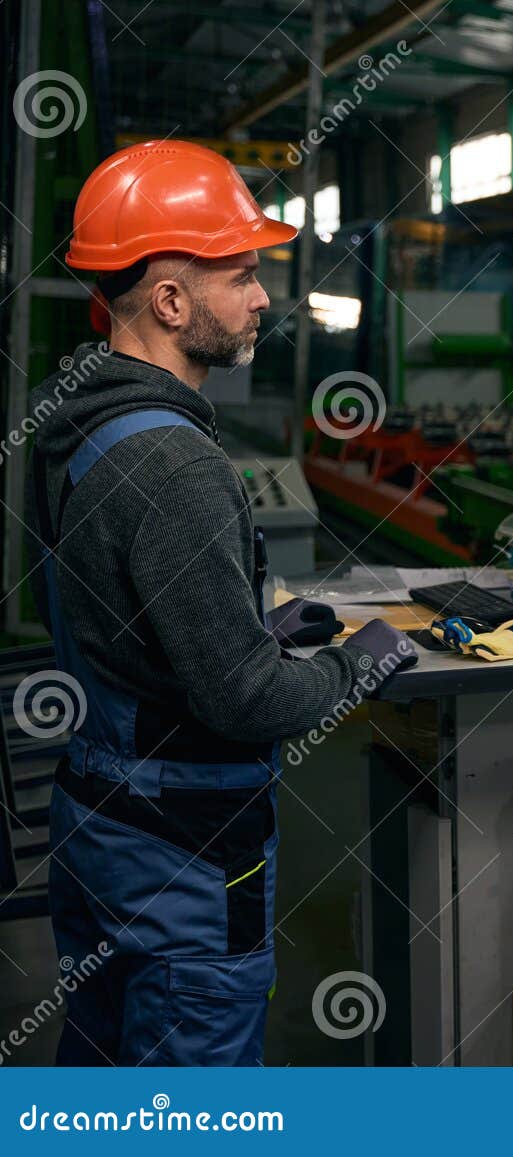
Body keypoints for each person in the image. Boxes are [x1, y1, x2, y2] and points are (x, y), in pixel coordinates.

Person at [22, 140, 416, 1066]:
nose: (262, 297)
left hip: (98, 817)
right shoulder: (178, 465)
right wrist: (354, 661)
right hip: (184, 852)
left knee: (103, 1067)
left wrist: (248, 627)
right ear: (169, 301)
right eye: (240, 274)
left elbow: (118, 610)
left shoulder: (75, 426)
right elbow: (244, 701)